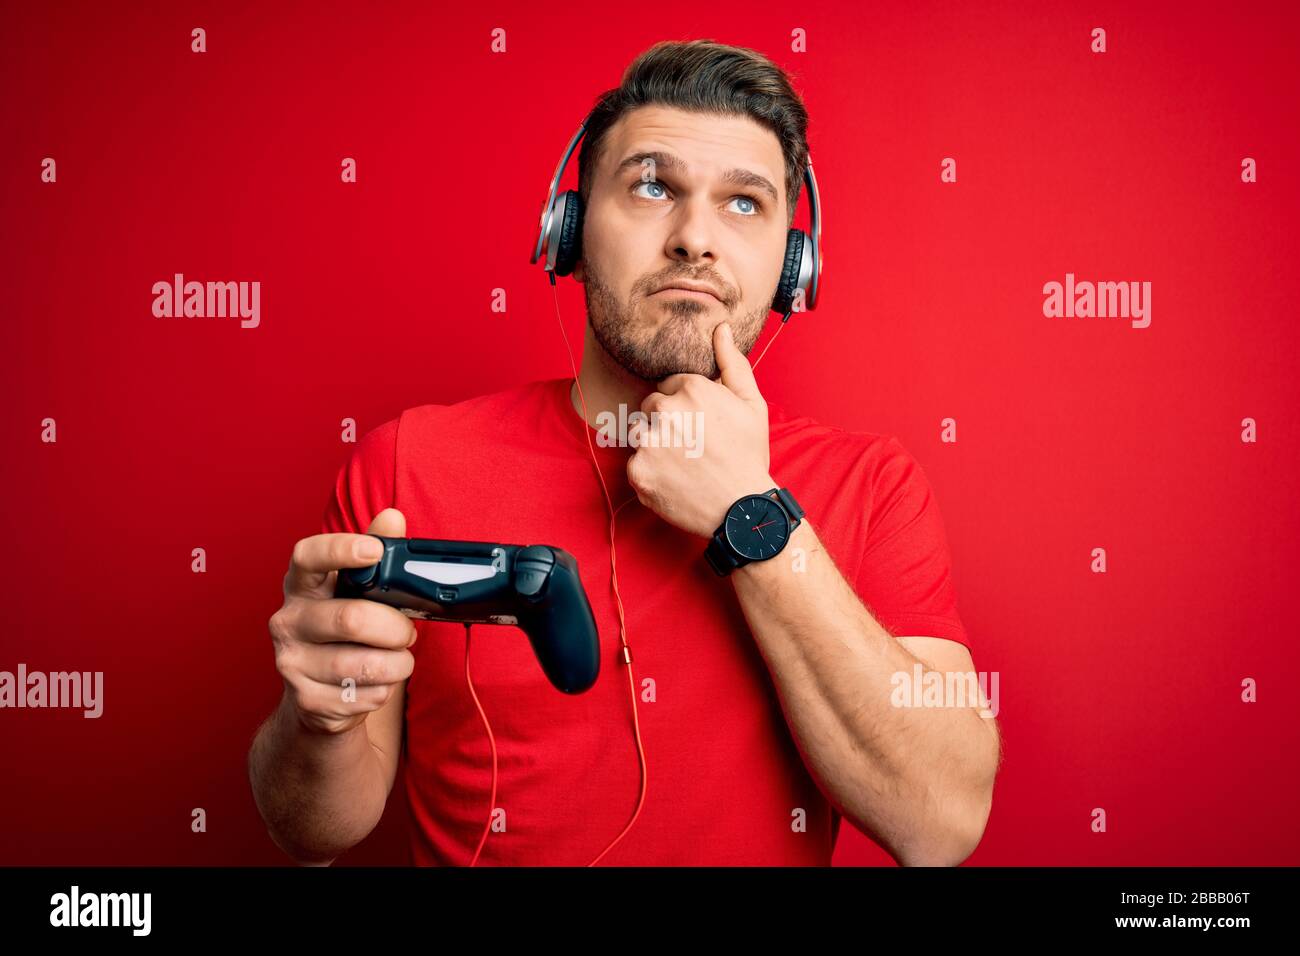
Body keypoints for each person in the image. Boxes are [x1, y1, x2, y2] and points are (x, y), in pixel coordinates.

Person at [248, 39, 1000, 867]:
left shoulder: (874, 486)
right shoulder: (407, 464)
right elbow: (314, 829)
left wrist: (748, 512)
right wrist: (319, 719)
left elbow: (942, 824)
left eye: (745, 203)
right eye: (652, 186)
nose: (695, 240)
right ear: (566, 233)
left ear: (795, 264)